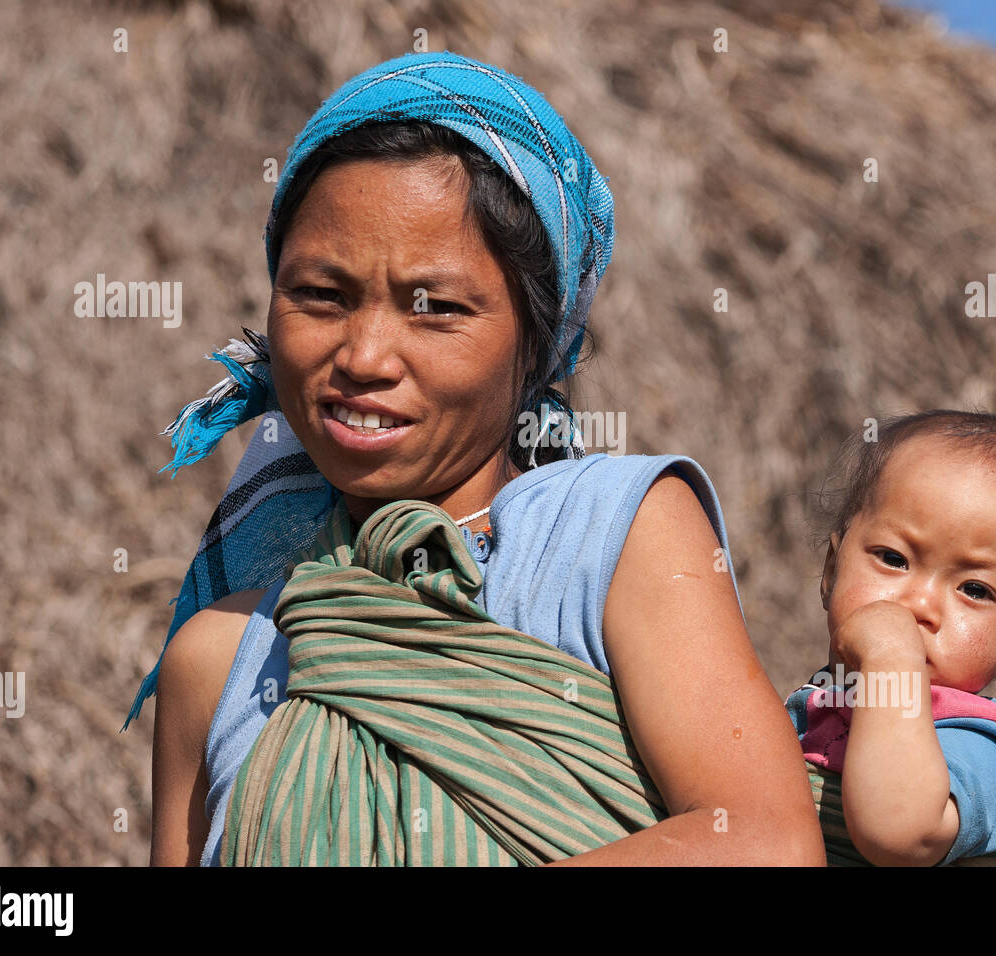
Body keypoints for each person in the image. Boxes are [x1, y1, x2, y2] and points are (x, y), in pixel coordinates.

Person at [128, 50, 825, 866]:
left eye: (437, 309)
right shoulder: (217, 661)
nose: (364, 354)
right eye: (321, 295)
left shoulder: (611, 540)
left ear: (535, 343)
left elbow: (763, 841)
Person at [785, 410, 996, 865]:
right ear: (831, 572)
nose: (919, 604)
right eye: (893, 559)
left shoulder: (977, 746)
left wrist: (893, 660)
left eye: (974, 589)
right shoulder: (821, 705)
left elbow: (895, 831)